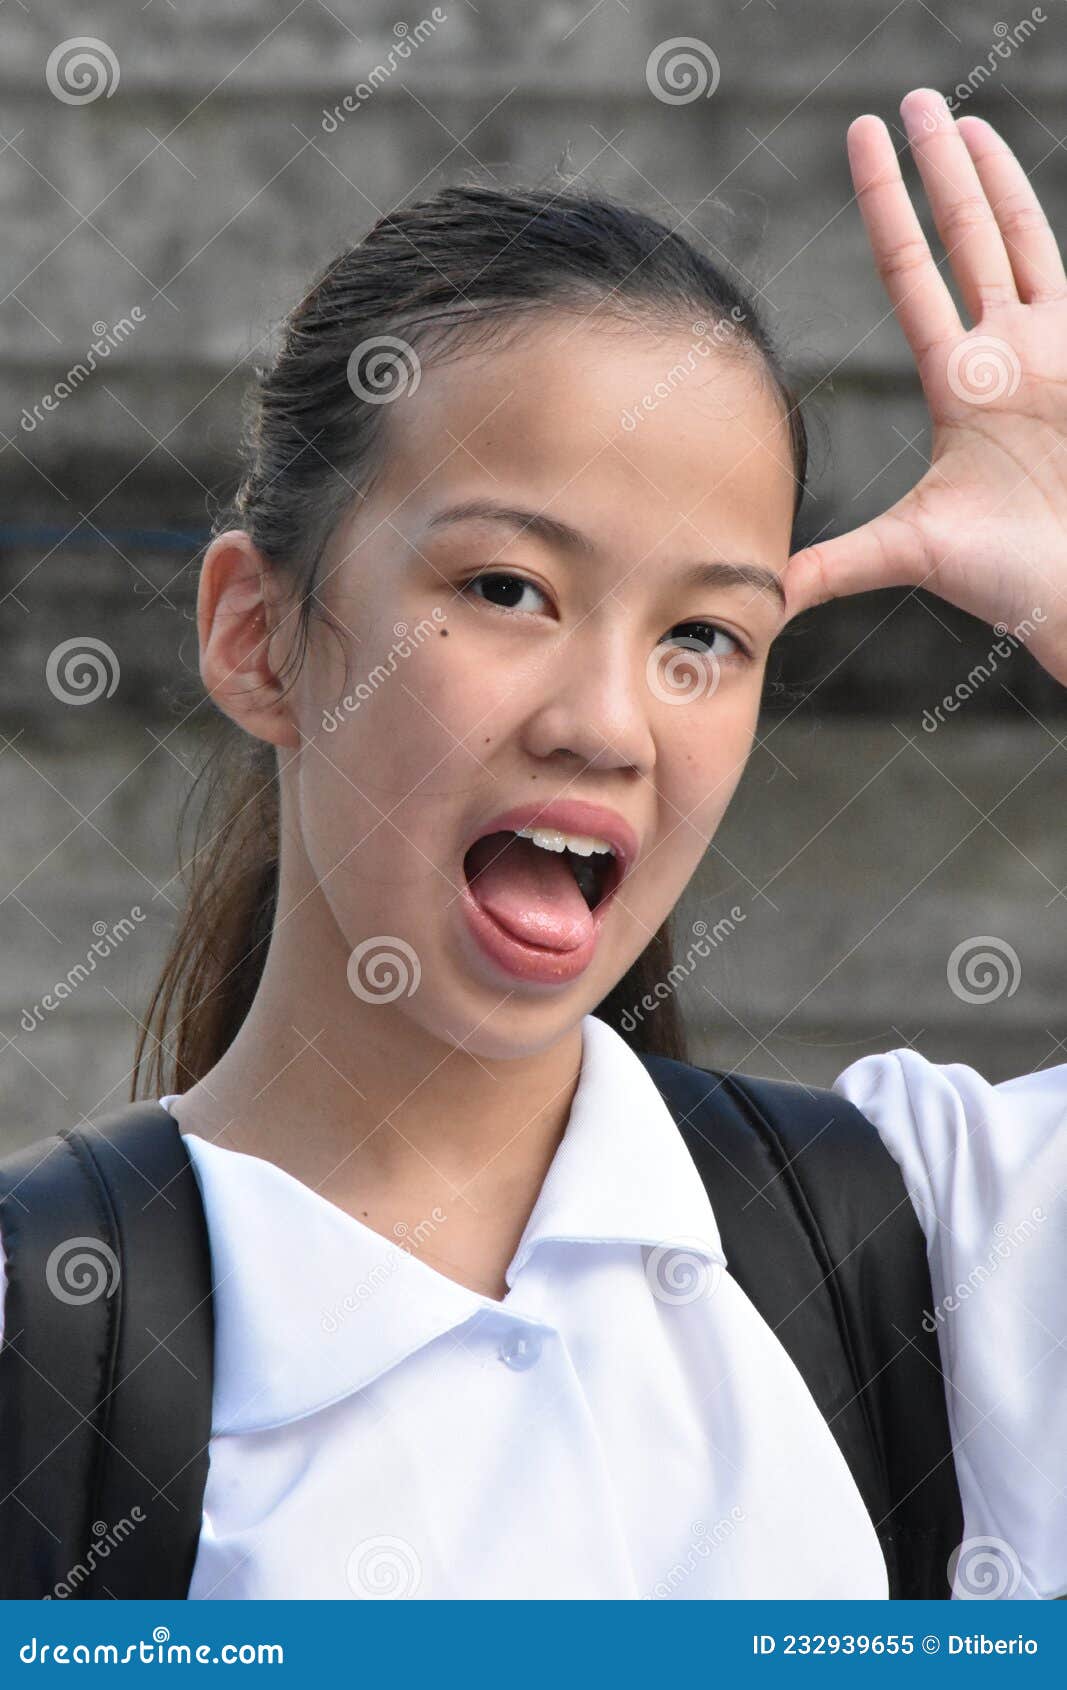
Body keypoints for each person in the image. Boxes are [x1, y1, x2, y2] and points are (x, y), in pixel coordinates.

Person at [3, 86, 1066, 1600]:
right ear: (259, 635)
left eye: (705, 633)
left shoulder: (925, 1254)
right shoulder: (47, 1349)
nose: (610, 722)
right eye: (508, 589)